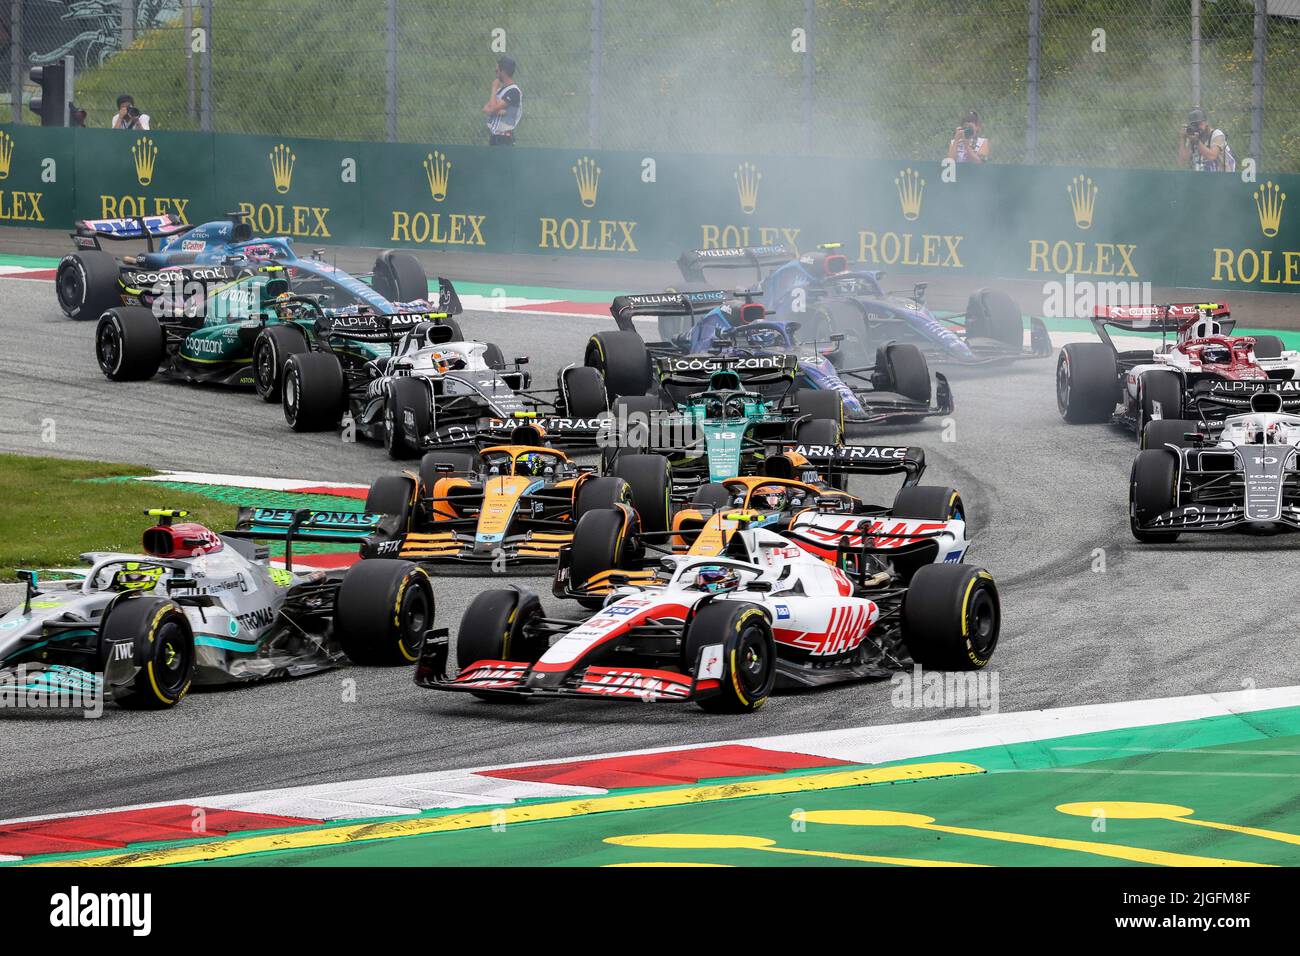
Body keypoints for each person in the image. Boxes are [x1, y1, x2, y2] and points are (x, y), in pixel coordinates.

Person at [1179, 108, 1234, 172]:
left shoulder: (1217, 134)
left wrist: (1197, 141)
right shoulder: (1192, 136)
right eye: (1194, 125)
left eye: (1199, 124)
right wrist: (1183, 138)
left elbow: (1212, 156)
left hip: (1224, 177)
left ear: (1206, 122)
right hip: (1204, 178)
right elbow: (1182, 161)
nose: (1197, 127)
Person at [483, 57, 522, 145]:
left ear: (503, 72)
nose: (496, 74)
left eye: (497, 71)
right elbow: (485, 108)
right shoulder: (500, 90)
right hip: (494, 137)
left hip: (505, 139)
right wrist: (498, 111)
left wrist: (493, 89)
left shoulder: (513, 91)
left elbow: (492, 108)